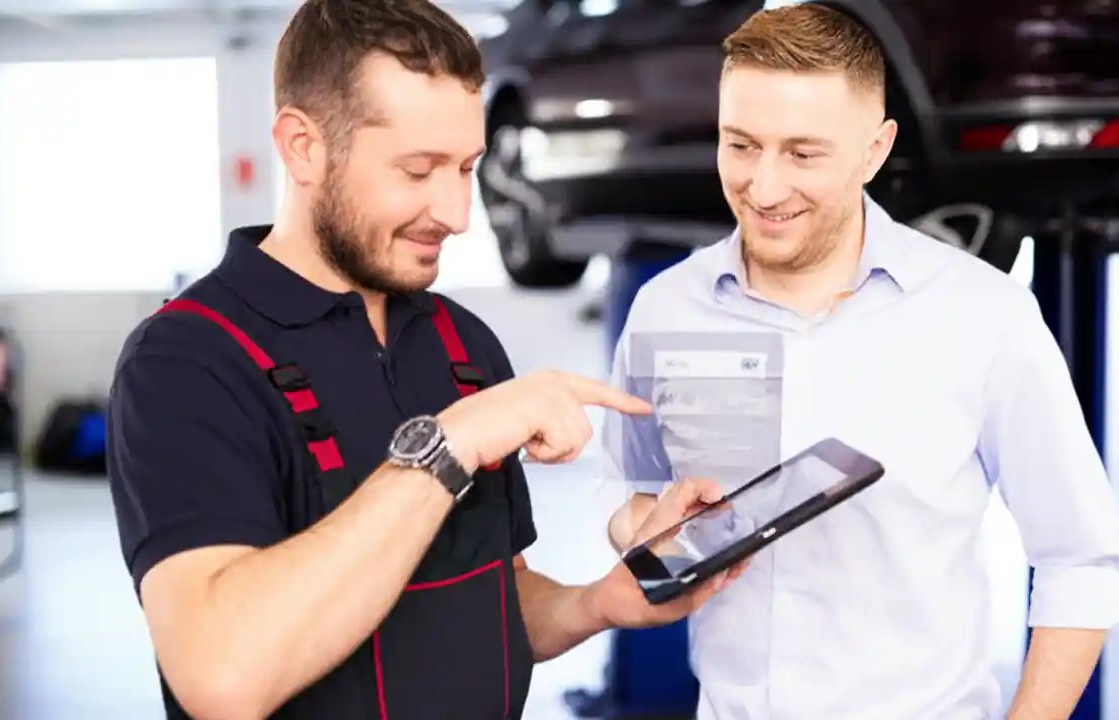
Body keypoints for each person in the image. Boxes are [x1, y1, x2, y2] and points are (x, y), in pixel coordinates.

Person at [106, 2, 742, 719]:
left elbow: (490, 603)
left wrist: (597, 603)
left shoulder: (462, 344)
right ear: (302, 146)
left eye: (467, 167)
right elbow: (223, 677)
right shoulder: (188, 360)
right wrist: (451, 445)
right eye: (418, 170)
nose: (458, 212)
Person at [603, 5, 1119, 720]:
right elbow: (631, 493)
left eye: (803, 153)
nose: (763, 186)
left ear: (875, 150)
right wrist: (652, 529)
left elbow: (1080, 559)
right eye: (740, 144)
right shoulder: (667, 309)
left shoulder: (981, 314)